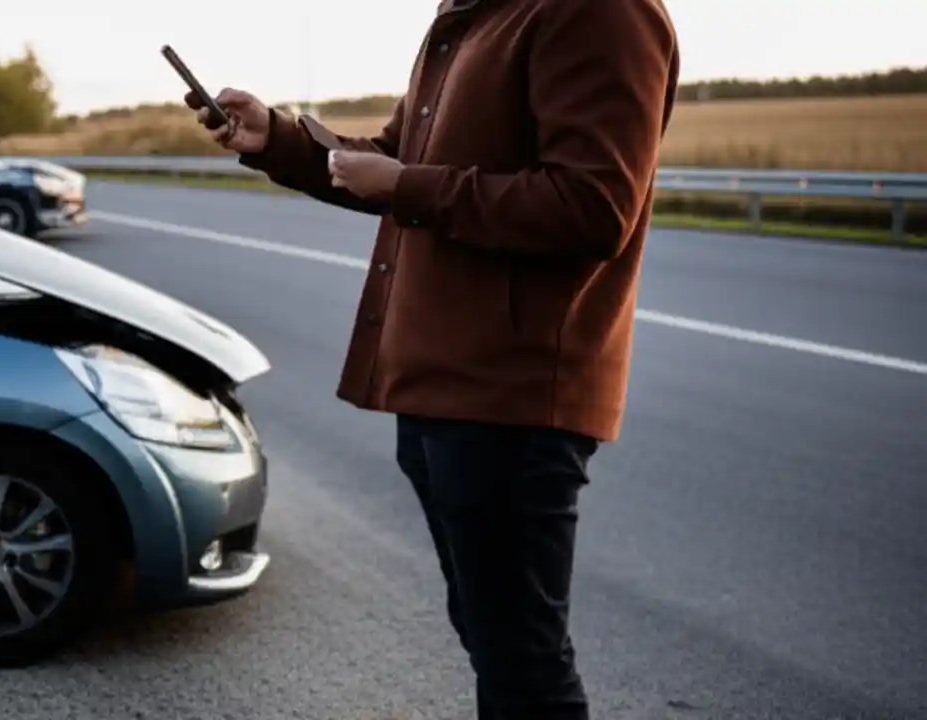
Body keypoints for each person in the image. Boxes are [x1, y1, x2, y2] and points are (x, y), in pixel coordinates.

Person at [186, 0, 679, 717]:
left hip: (511, 394)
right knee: (494, 641)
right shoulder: (474, 14)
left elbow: (594, 204)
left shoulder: (600, 11)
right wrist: (277, 140)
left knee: (522, 662)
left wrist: (407, 186)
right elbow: (391, 162)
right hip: (443, 388)